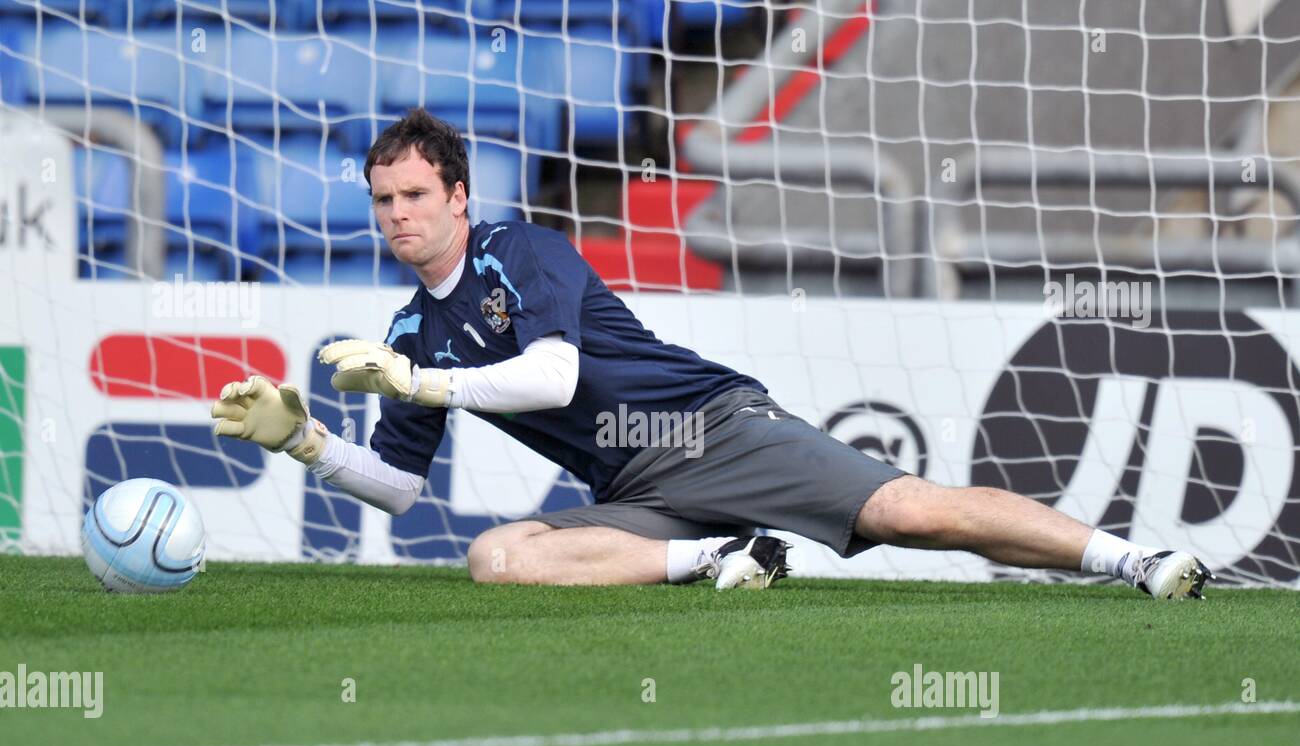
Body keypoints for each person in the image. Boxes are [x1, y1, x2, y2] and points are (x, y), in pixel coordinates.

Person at [211, 109, 1214, 598]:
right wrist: (303, 440)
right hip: (639, 489)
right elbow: (394, 489)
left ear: (459, 197)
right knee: (495, 556)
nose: (397, 214)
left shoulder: (519, 253)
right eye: (382, 199)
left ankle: (1135, 559)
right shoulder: (406, 334)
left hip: (711, 429)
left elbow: (554, 374)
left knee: (910, 512)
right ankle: (725, 556)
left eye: (415, 195)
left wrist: (423, 381)